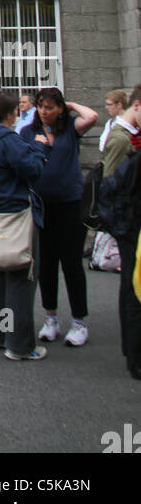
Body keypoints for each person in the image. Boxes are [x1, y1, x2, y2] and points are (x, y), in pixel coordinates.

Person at [0, 93, 50, 360]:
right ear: (10, 114)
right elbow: (31, 170)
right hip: (16, 214)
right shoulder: (8, 141)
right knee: (20, 277)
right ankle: (18, 344)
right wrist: (40, 148)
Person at [20, 87, 98, 346]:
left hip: (70, 204)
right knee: (47, 264)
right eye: (41, 106)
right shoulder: (28, 132)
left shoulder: (71, 130)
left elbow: (93, 117)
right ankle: (50, 318)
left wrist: (72, 104)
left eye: (50, 107)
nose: (44, 111)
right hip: (42, 206)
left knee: (72, 263)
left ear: (60, 109)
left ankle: (79, 321)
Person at [101, 83, 141, 379]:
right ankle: (135, 355)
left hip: (128, 224)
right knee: (133, 290)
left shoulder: (130, 137)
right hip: (130, 226)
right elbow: (111, 185)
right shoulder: (121, 137)